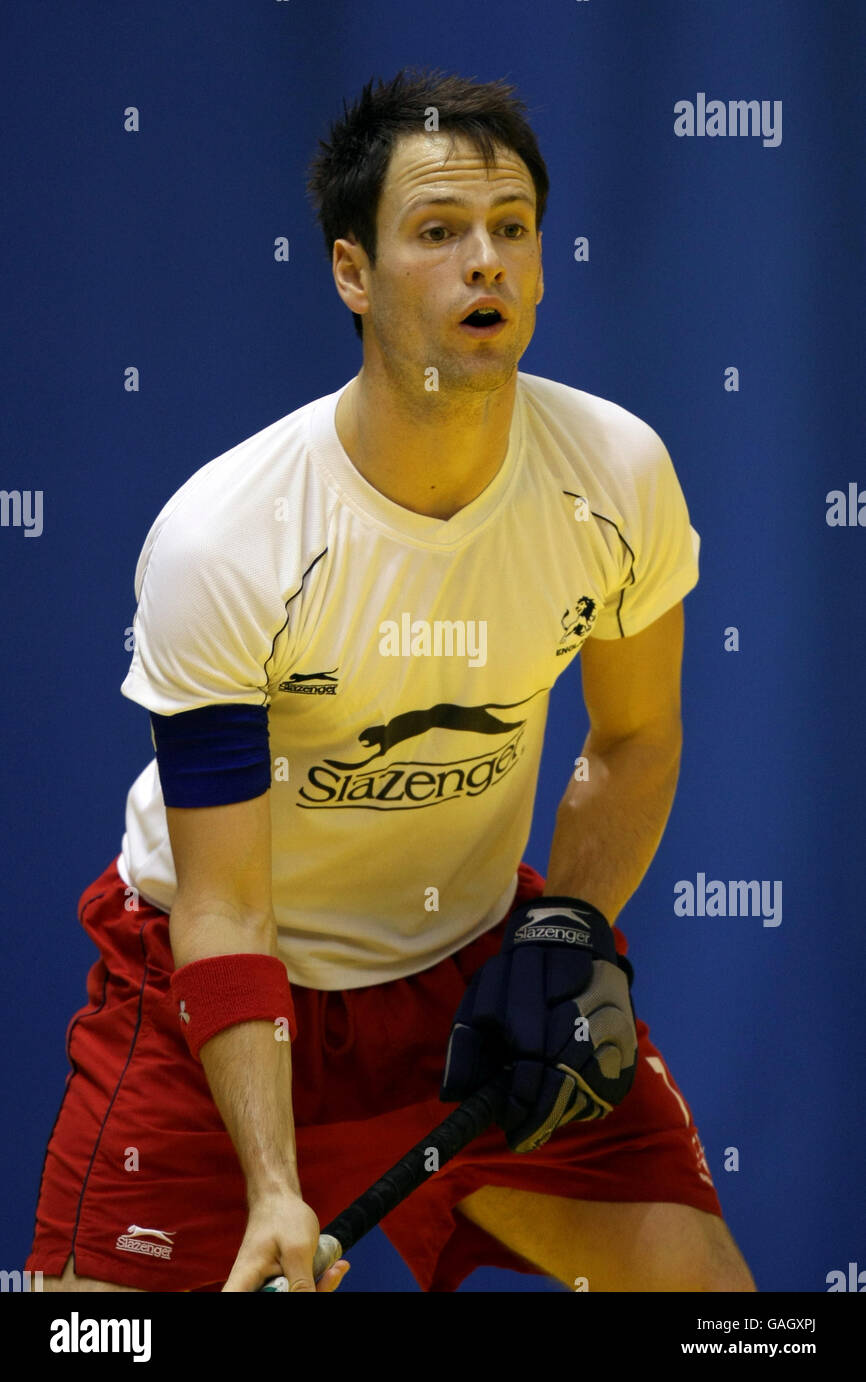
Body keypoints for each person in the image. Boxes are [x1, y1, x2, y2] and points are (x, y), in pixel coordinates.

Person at [28, 67, 755, 1293]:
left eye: (510, 230)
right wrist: (272, 1186)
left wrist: (566, 932)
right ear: (350, 273)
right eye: (437, 232)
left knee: (722, 1314)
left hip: (469, 976)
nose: (487, 263)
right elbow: (223, 910)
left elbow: (628, 740)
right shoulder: (227, 536)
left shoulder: (617, 474)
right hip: (223, 1003)